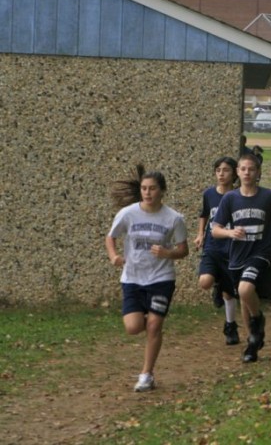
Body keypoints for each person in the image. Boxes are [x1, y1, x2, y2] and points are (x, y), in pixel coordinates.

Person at [105, 165, 189, 392]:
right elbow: (111, 237)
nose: (148, 193)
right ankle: (151, 320)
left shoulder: (174, 218)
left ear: (162, 191)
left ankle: (146, 374)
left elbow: (183, 250)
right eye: (144, 188)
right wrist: (113, 256)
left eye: (152, 188)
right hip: (132, 278)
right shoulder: (127, 214)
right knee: (133, 328)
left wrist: (167, 253)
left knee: (153, 325)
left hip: (161, 278)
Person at [211, 153, 271, 363]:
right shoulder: (230, 198)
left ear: (258, 172)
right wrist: (230, 233)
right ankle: (252, 341)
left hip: (260, 254)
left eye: (251, 169)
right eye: (243, 169)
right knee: (244, 299)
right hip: (237, 256)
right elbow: (215, 229)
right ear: (237, 172)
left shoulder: (267, 196)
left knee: (245, 289)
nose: (247, 172)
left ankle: (258, 319)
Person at [194, 156, 240, 346]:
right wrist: (200, 234)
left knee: (229, 294)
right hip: (212, 245)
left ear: (234, 174)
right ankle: (217, 283)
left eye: (226, 170)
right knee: (205, 281)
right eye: (218, 170)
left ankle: (230, 326)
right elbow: (204, 215)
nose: (221, 174)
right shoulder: (209, 194)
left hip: (231, 247)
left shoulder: (238, 195)